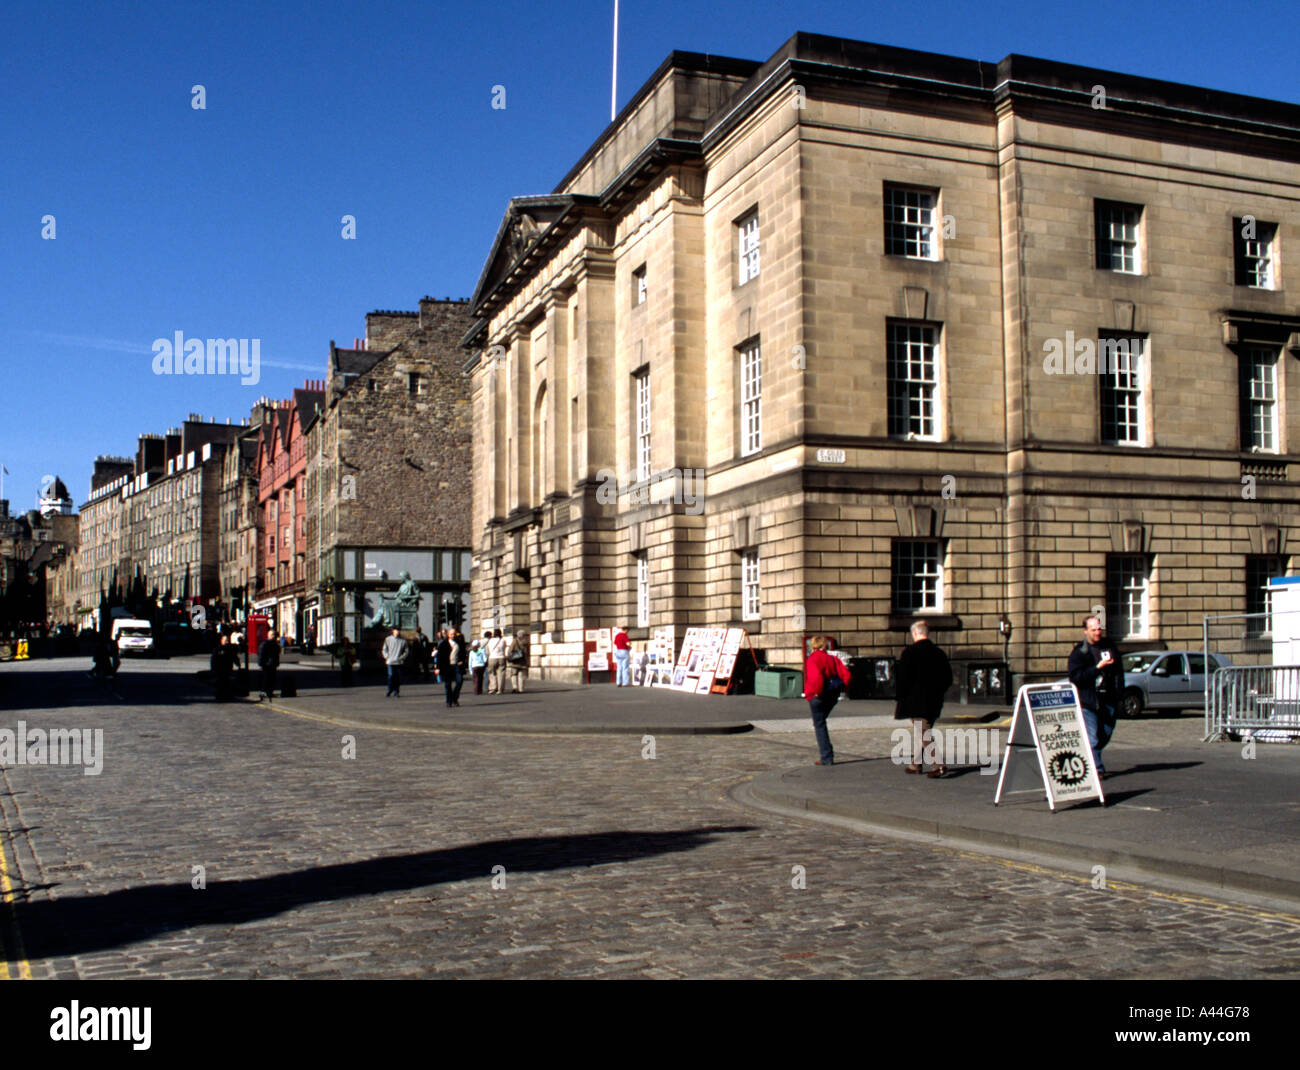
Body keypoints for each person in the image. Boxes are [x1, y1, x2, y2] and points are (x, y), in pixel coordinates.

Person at [894, 620, 955, 777]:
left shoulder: (909, 653)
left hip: (915, 701)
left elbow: (903, 679)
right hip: (934, 700)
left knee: (924, 733)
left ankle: (938, 765)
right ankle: (916, 764)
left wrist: (900, 697)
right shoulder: (939, 653)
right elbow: (948, 678)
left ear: (914, 633)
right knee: (924, 731)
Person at [1067, 615, 1124, 779]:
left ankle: (1091, 759)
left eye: (1099, 629)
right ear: (1086, 631)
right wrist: (1097, 668)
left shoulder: (1109, 646)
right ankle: (1097, 769)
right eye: (1094, 630)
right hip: (1089, 701)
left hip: (1108, 698)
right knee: (1092, 736)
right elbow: (1076, 678)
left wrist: (1119, 693)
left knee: (1106, 733)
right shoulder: (1079, 652)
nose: (1098, 632)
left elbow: (1119, 672)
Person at [804, 635, 851, 766]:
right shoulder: (833, 659)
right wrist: (842, 689)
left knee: (819, 725)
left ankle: (826, 756)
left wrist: (816, 693)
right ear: (826, 646)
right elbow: (846, 675)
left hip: (818, 696)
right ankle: (827, 754)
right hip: (832, 695)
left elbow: (816, 678)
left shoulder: (813, 659)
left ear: (813, 646)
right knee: (821, 722)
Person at [437, 628, 464, 707]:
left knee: (459, 680)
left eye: (454, 634)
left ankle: (455, 698)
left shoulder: (459, 643)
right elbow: (439, 656)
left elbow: (463, 653)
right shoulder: (443, 644)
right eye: (451, 634)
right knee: (447, 685)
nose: (453, 635)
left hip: (456, 665)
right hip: (446, 666)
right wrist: (438, 667)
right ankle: (449, 701)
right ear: (448, 635)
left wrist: (461, 661)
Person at [383, 627, 409, 697]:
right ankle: (389, 689)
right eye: (396, 630)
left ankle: (396, 691)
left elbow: (406, 651)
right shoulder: (388, 639)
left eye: (398, 630)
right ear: (393, 631)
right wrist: (386, 656)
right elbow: (384, 649)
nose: (397, 632)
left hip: (399, 662)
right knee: (391, 676)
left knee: (397, 677)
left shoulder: (403, 641)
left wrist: (402, 658)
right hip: (390, 661)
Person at [211, 634, 236, 701]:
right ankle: (219, 695)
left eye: (228, 640)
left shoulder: (230, 649)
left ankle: (227, 695)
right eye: (225, 640)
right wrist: (213, 668)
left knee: (227, 682)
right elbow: (214, 659)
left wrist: (238, 664)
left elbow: (234, 657)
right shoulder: (217, 649)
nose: (227, 642)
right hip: (219, 669)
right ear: (221, 641)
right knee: (220, 682)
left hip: (227, 668)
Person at [258, 629, 281, 698]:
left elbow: (277, 653)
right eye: (272, 635)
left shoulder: (275, 644)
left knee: (272, 679)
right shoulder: (264, 644)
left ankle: (270, 692)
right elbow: (261, 654)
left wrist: (277, 662)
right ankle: (265, 692)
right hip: (266, 664)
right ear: (268, 635)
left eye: (274, 635)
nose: (274, 636)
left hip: (273, 664)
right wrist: (261, 664)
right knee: (266, 679)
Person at [486, 628, 507, 694]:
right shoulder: (503, 640)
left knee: (492, 673)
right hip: (501, 657)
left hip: (492, 657)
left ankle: (493, 688)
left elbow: (488, 650)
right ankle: (500, 689)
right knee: (501, 673)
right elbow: (504, 648)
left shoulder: (490, 640)